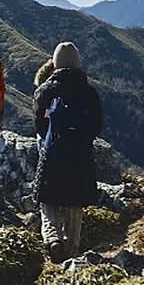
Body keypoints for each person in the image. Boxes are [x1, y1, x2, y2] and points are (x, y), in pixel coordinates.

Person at [33, 43, 103, 264]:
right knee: (74, 202)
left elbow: (39, 124)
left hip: (53, 151)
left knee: (48, 199)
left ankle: (53, 238)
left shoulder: (45, 90)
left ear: (55, 63)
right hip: (80, 154)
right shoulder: (89, 92)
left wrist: (51, 140)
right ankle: (72, 251)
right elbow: (96, 125)